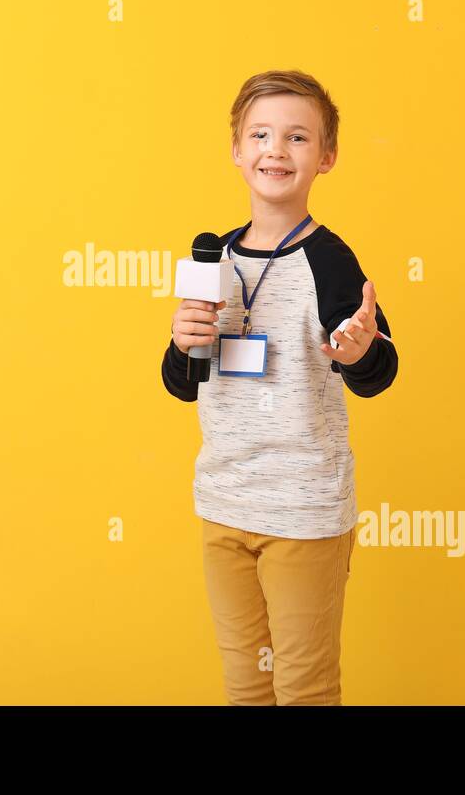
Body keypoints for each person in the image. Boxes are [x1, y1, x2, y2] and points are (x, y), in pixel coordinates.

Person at [160, 69, 399, 705]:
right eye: (261, 134)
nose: (276, 149)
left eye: (297, 137)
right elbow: (185, 384)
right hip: (224, 502)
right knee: (246, 685)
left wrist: (358, 351)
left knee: (304, 689)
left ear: (326, 157)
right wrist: (182, 343)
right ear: (236, 150)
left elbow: (378, 368)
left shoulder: (329, 260)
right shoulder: (213, 257)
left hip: (303, 512)